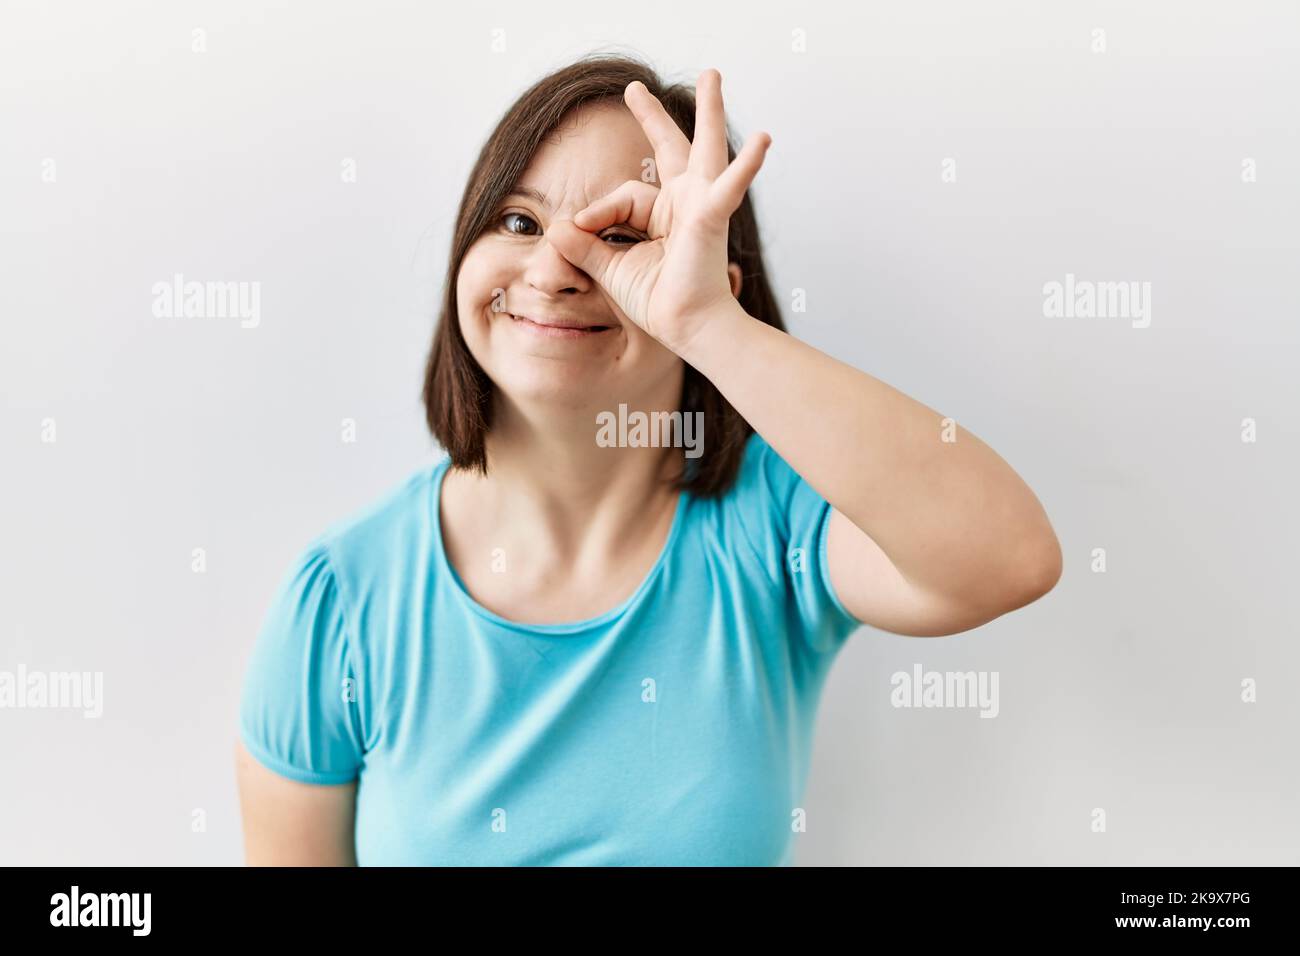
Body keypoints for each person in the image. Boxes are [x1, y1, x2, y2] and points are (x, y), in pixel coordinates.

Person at [235, 53, 1062, 866]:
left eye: (622, 237)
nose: (555, 268)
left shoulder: (777, 530)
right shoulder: (338, 604)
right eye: (519, 221)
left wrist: (709, 328)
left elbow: (1008, 559)